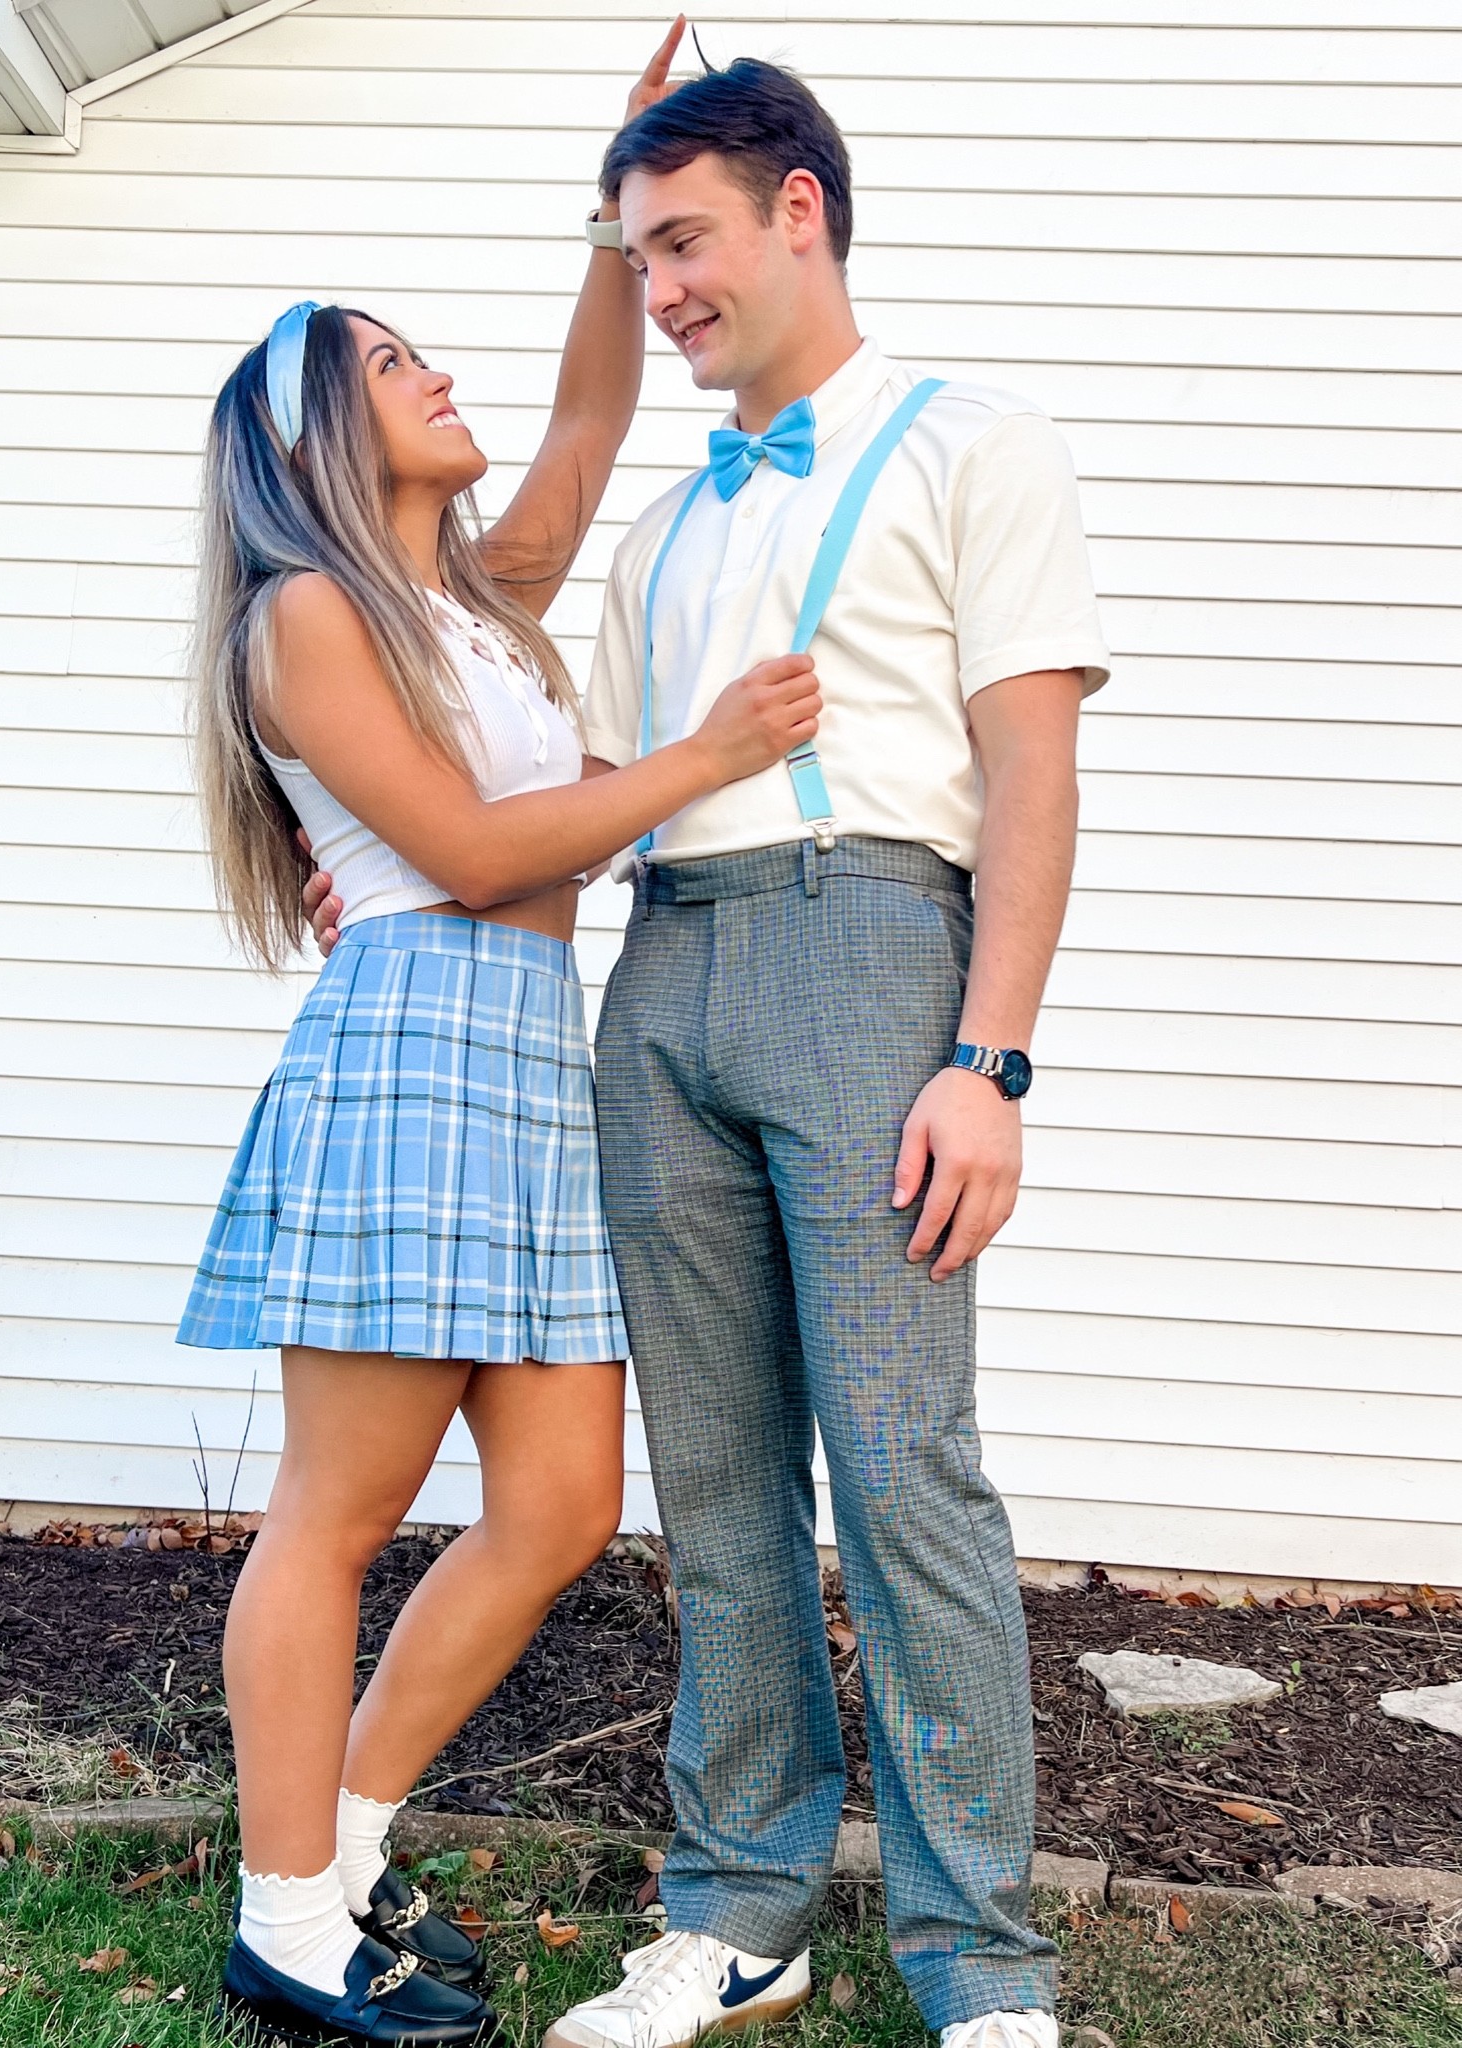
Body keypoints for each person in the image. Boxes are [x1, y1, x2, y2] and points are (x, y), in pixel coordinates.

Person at [308, 52, 1109, 2048]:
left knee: (904, 1466)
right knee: (721, 1479)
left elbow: (1031, 767)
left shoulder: (966, 441)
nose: (658, 289)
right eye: (633, 253)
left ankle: (982, 1962)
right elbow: (588, 793)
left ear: (800, 214)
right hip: (661, 980)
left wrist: (988, 1061)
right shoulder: (662, 531)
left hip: (873, 951)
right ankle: (741, 1902)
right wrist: (393, 874)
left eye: (683, 241)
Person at [176, 26, 826, 2046]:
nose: (435, 374)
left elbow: (591, 400)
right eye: (392, 362)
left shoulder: (471, 597)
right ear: (312, 436)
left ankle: (346, 1846)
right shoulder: (308, 612)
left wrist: (607, 198)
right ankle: (286, 1919)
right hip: (408, 1056)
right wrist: (702, 758)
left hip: (536, 1060)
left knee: (550, 1510)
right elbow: (460, 847)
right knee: (339, 1512)